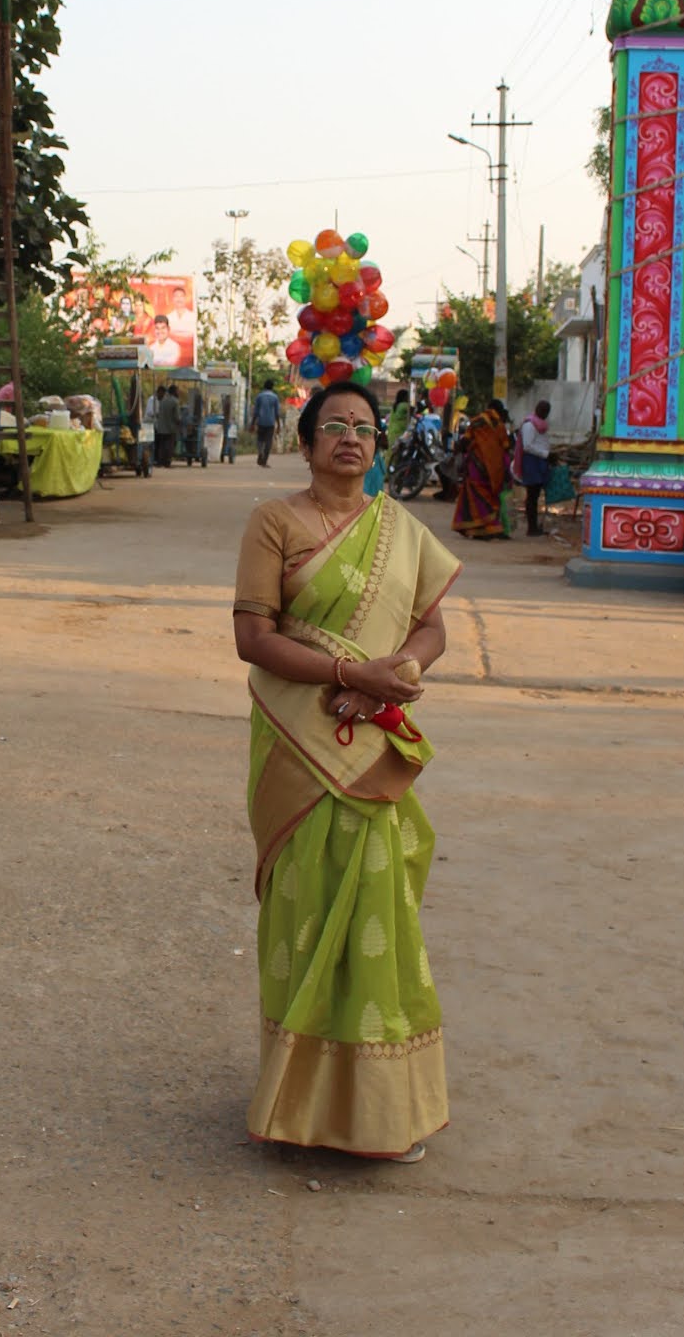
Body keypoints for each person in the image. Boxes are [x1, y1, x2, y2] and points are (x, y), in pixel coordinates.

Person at [232, 380, 462, 1161]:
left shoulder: (399, 529)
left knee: (377, 902)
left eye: (364, 428)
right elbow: (253, 637)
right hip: (301, 738)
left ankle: (377, 1107)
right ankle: (297, 1100)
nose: (350, 439)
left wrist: (399, 668)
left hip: (371, 737)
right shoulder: (274, 522)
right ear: (304, 443)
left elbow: (432, 628)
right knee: (304, 903)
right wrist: (349, 677)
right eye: (332, 426)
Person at [454, 400, 511, 539]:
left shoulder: (476, 422)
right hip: (494, 470)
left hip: (476, 466)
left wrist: (458, 449)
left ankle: (477, 528)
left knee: (475, 496)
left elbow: (466, 441)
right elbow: (506, 447)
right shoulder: (500, 425)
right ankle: (489, 527)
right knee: (490, 497)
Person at [517, 400, 552, 537]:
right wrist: (545, 454)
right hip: (532, 462)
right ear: (537, 409)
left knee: (535, 495)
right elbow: (528, 446)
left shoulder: (541, 425)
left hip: (540, 462)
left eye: (546, 411)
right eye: (543, 410)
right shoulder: (530, 425)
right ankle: (531, 528)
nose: (545, 413)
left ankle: (534, 526)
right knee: (532, 495)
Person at [253, 379, 281, 467]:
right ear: (272, 387)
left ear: (264, 386)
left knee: (260, 439)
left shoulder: (259, 396)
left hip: (261, 421)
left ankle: (260, 451)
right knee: (268, 441)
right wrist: (279, 424)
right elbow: (277, 413)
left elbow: (256, 411)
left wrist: (252, 423)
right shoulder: (275, 397)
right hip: (270, 422)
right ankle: (264, 461)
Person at [155, 382, 181, 467]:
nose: (178, 392)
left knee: (162, 445)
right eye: (177, 391)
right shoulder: (175, 402)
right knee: (170, 445)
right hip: (170, 428)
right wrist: (180, 423)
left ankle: (160, 461)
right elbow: (177, 417)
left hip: (161, 428)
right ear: (174, 392)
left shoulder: (163, 400)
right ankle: (167, 462)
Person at [219, 391, 237, 463]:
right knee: (225, 438)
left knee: (226, 438)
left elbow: (227, 414)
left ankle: (223, 453)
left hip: (226, 423)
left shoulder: (228, 405)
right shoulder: (227, 404)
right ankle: (222, 453)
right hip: (225, 422)